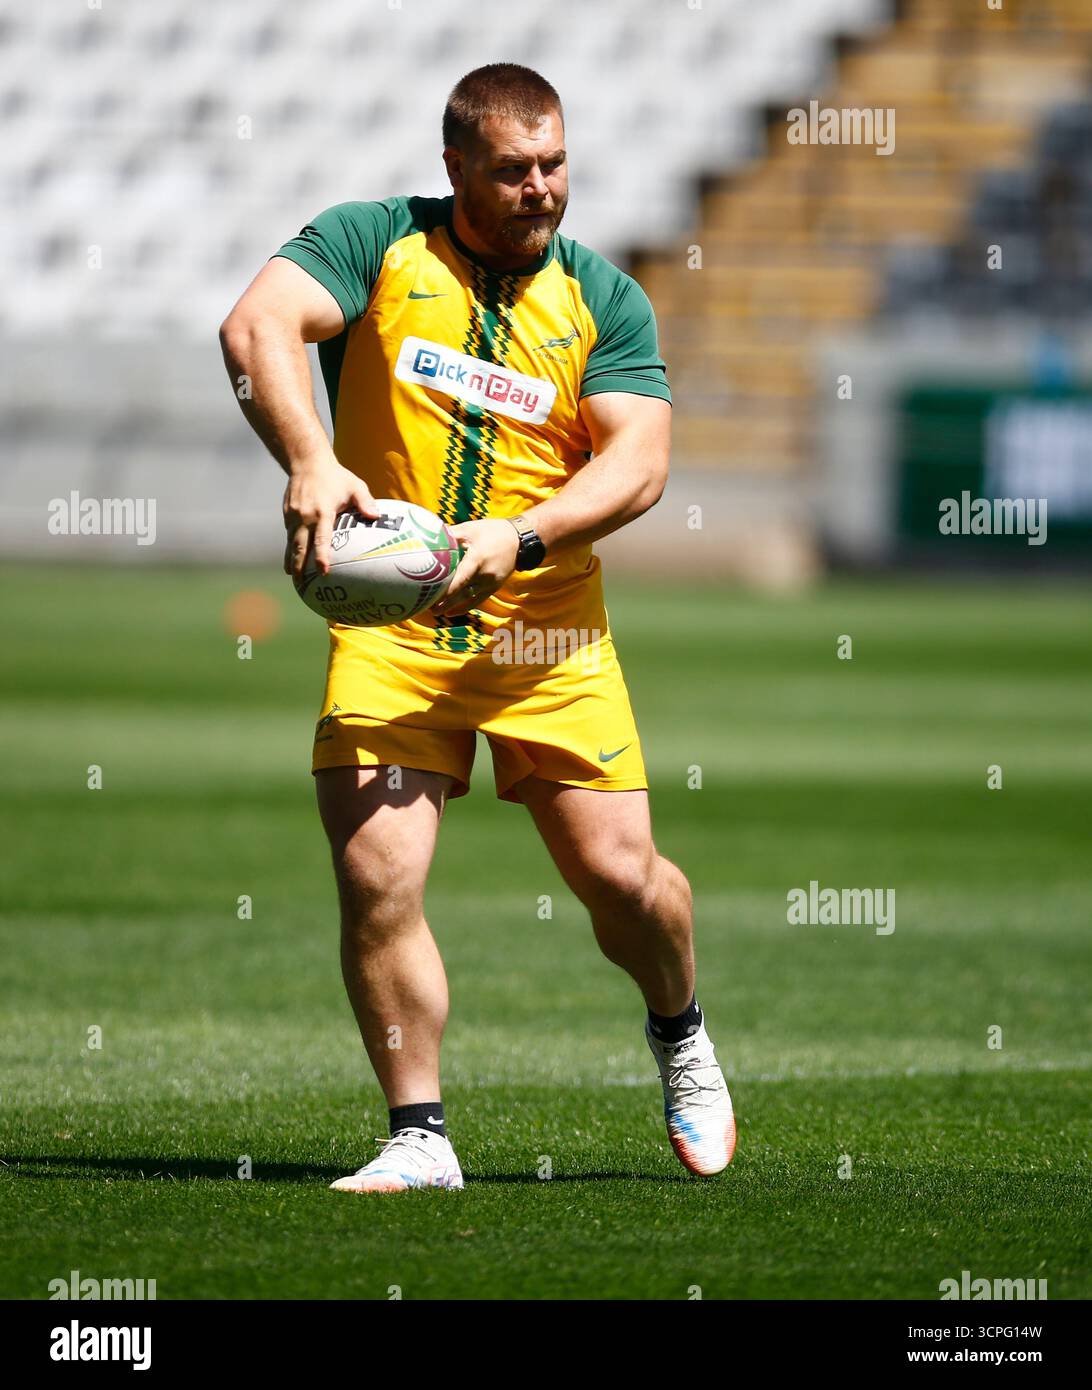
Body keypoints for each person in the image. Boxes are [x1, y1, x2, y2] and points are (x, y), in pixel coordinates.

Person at [219, 62, 735, 1193]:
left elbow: (640, 462)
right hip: (395, 633)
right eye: (512, 170)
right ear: (456, 167)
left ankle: (681, 1028)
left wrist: (522, 536)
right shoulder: (375, 244)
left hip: (545, 633)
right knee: (378, 878)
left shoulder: (604, 297)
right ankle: (420, 1135)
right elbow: (257, 324)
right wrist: (312, 458)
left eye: (555, 165)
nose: (541, 188)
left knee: (623, 880)